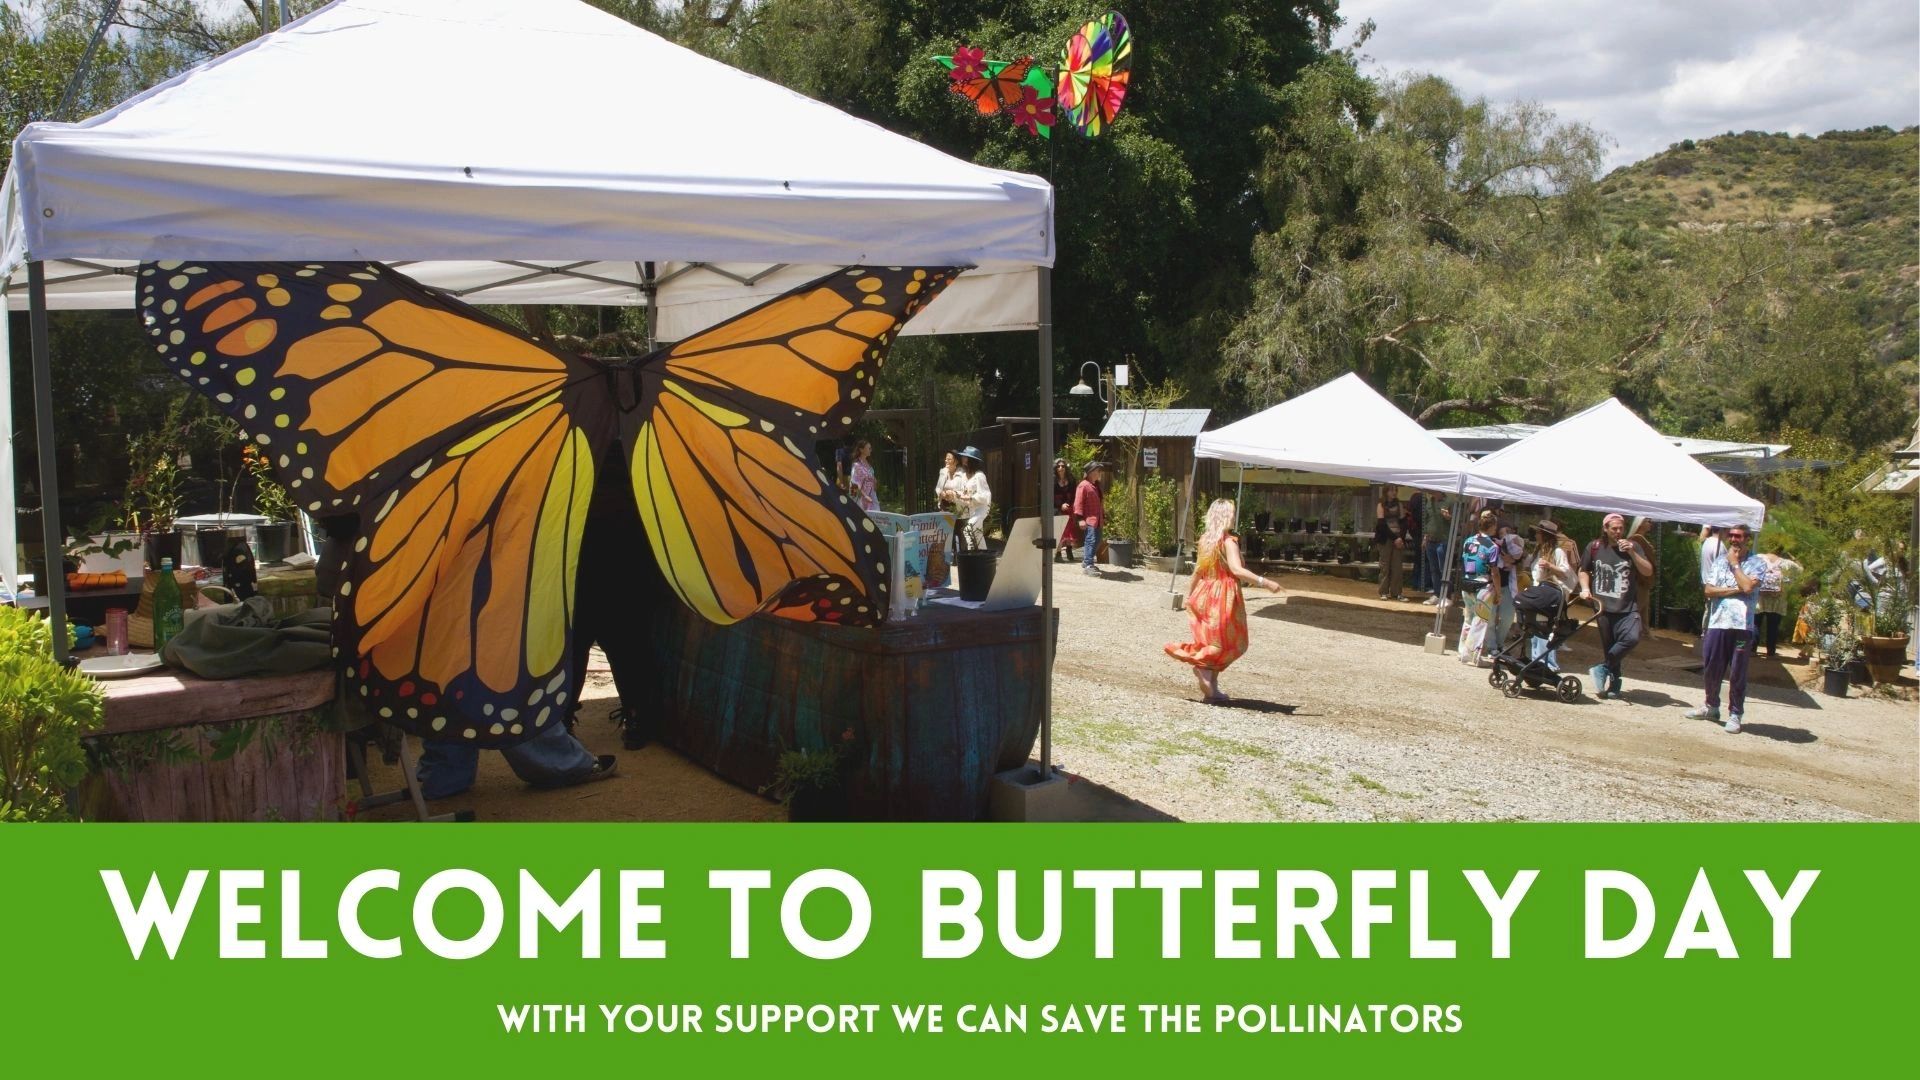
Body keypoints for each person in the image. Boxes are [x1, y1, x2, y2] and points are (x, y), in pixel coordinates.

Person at [1165, 498, 1283, 703]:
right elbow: (1237, 570)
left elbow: (1198, 571)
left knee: (1214, 640)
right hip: (1223, 595)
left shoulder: (1205, 540)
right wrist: (1265, 582)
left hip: (1204, 593)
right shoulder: (1229, 542)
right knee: (1233, 642)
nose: (1234, 517)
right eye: (1232, 513)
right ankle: (1203, 670)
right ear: (1226, 516)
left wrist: (1190, 596)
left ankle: (1212, 687)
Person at [1686, 524, 1767, 733]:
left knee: (1738, 671)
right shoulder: (1720, 562)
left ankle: (1735, 713)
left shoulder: (1757, 562)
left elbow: (1749, 587)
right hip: (1717, 622)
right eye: (1731, 535)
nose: (1734, 539)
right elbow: (1709, 590)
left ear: (1747, 538)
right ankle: (1711, 705)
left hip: (1742, 625)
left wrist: (1735, 566)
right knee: (1712, 666)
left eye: (1738, 536)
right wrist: (1736, 588)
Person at [1579, 513, 1653, 699]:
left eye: (1621, 528)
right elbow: (1583, 570)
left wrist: (1633, 553)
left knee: (1632, 638)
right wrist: (1585, 588)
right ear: (1605, 529)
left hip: (1628, 606)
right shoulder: (1595, 547)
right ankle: (1614, 683)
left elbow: (1648, 570)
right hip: (1603, 607)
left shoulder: (1633, 546)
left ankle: (1602, 668)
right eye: (1614, 528)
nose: (1618, 532)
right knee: (1610, 646)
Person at [1527, 520, 1578, 670]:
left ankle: (1548, 664)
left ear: (1544, 535)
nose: (1536, 535)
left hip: (1549, 594)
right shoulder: (1540, 550)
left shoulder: (1557, 551)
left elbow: (1565, 572)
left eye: (1538, 532)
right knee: (1535, 627)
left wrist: (1550, 566)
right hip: (1538, 592)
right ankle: (1537, 662)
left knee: (1544, 627)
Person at [1457, 510, 1500, 665]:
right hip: (1483, 585)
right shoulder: (1492, 546)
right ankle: (1473, 655)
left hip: (1467, 583)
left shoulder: (1468, 541)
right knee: (1480, 620)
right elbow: (1494, 571)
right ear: (1492, 526)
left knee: (1468, 618)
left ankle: (1462, 651)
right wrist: (1499, 592)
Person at [1755, 546, 1803, 659]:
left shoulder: (1758, 558)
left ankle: (1752, 649)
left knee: (1756, 624)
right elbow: (1801, 570)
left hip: (1759, 598)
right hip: (1777, 600)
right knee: (1773, 626)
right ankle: (1771, 652)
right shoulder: (1787, 563)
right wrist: (1794, 558)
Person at [1374, 484, 1409, 601]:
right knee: (1385, 566)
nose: (1394, 493)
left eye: (1395, 490)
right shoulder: (1381, 505)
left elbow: (1404, 522)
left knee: (1397, 566)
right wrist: (1394, 538)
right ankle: (1383, 591)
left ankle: (1397, 592)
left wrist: (1401, 538)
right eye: (1391, 490)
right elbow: (1381, 525)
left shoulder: (1399, 505)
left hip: (1398, 539)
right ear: (1386, 492)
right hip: (1386, 539)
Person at [953, 446, 991, 551]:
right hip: (973, 510)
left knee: (968, 530)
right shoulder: (965, 476)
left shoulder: (979, 476)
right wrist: (955, 495)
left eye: (966, 457)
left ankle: (972, 555)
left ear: (972, 460)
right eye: (963, 457)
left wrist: (970, 498)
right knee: (977, 534)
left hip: (982, 508)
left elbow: (985, 496)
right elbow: (964, 493)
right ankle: (984, 558)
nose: (963, 459)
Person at [1073, 462, 1108, 576]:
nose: (1099, 473)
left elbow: (1100, 504)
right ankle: (1088, 565)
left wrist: (1104, 516)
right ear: (1091, 472)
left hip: (1098, 519)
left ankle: (1087, 561)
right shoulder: (1083, 485)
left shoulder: (1096, 486)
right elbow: (1078, 502)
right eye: (1098, 471)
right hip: (1089, 519)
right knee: (1091, 540)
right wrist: (1079, 519)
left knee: (1097, 540)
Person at [1422, 496, 1451, 605]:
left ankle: (1447, 596)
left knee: (1444, 569)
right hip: (1430, 540)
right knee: (1433, 569)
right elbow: (1428, 520)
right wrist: (1425, 537)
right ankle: (1437, 594)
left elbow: (1458, 521)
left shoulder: (1449, 501)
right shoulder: (1429, 501)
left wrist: (1449, 517)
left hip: (1443, 540)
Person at [1053, 459, 1081, 563]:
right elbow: (1051, 497)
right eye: (1058, 466)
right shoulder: (1053, 481)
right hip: (1057, 509)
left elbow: (1074, 494)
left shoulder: (1071, 480)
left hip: (1069, 508)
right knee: (1060, 531)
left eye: (1063, 466)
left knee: (1070, 530)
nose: (1061, 468)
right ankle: (1058, 554)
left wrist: (1072, 504)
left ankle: (1069, 551)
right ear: (1055, 468)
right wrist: (1060, 505)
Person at [848, 438, 879, 512]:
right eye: (869, 448)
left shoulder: (868, 463)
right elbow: (854, 485)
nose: (870, 450)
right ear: (861, 450)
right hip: (861, 499)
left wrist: (874, 481)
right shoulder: (857, 465)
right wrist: (865, 496)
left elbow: (871, 478)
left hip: (871, 496)